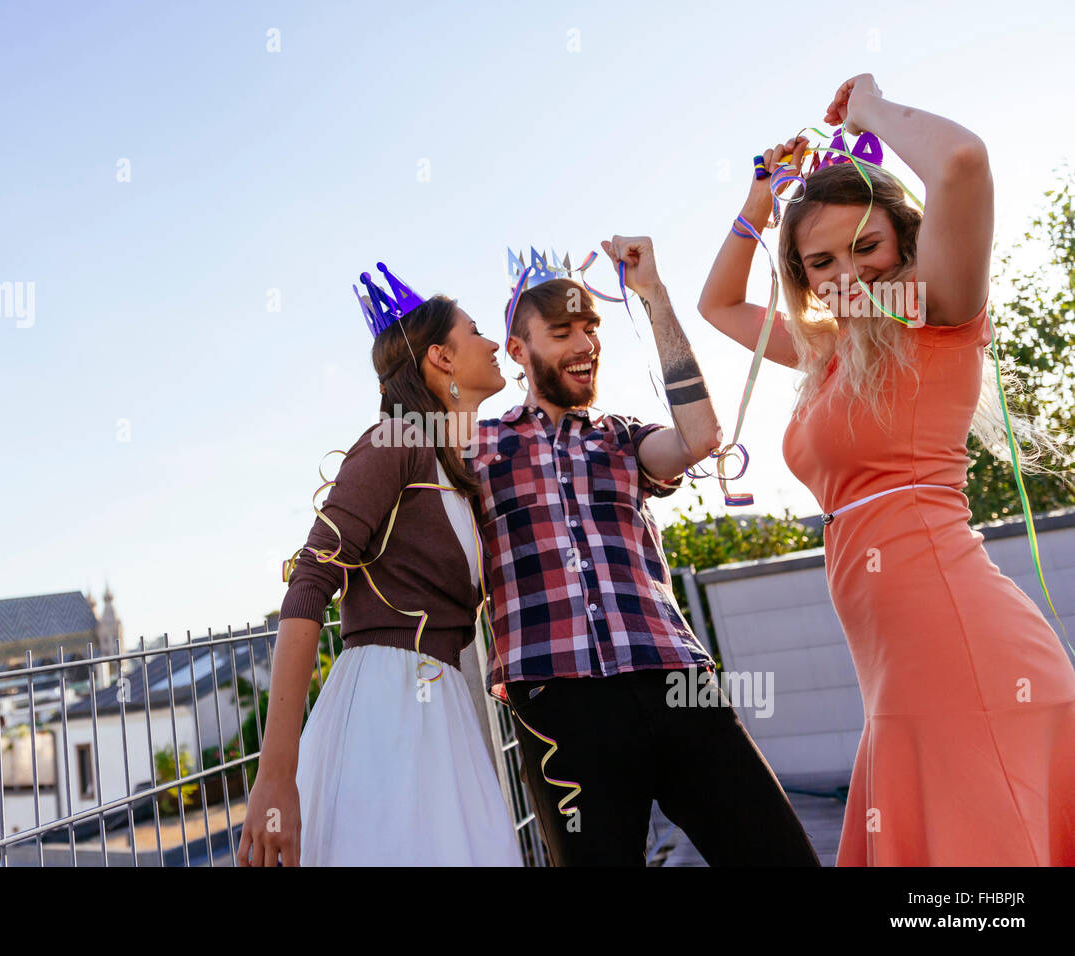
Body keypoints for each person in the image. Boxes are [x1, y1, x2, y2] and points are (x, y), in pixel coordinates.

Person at [697, 73, 1075, 865]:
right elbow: (720, 305)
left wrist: (866, 106)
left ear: (903, 238)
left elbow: (963, 162)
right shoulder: (835, 349)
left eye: (865, 246)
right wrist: (760, 198)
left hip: (959, 645)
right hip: (896, 663)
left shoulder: (935, 310)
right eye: (820, 262)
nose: (848, 276)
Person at [468, 237, 821, 866]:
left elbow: (700, 436)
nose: (584, 344)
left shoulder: (625, 437)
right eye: (561, 332)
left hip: (675, 680)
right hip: (557, 697)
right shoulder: (477, 448)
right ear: (519, 352)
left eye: (589, 327)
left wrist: (654, 295)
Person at [237, 263, 522, 866]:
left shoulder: (459, 469)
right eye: (476, 331)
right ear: (442, 358)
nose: (494, 342)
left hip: (445, 719)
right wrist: (275, 777)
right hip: (384, 715)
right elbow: (311, 581)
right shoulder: (393, 441)